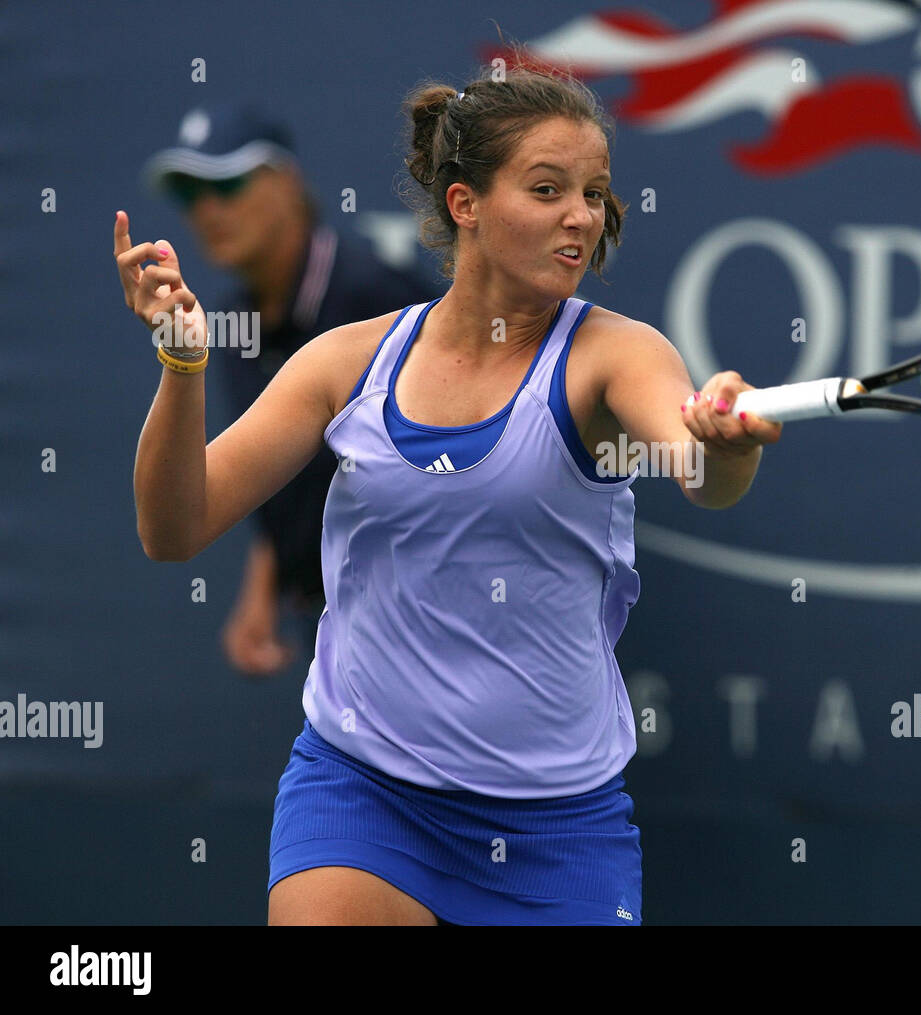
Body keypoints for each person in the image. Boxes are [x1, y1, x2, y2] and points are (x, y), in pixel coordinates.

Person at [118, 63, 780, 926]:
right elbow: (174, 527)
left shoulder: (619, 356)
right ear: (464, 204)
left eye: (593, 192)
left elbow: (701, 475)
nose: (580, 215)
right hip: (361, 787)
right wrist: (182, 363)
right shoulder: (345, 361)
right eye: (547, 189)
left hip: (557, 824)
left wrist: (726, 447)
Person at [141, 102, 436, 676]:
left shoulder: (378, 297)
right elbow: (284, 469)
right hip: (330, 628)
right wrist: (266, 586)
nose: (206, 211)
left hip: (424, 630)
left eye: (225, 185)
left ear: (287, 182)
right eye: (188, 195)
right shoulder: (227, 325)